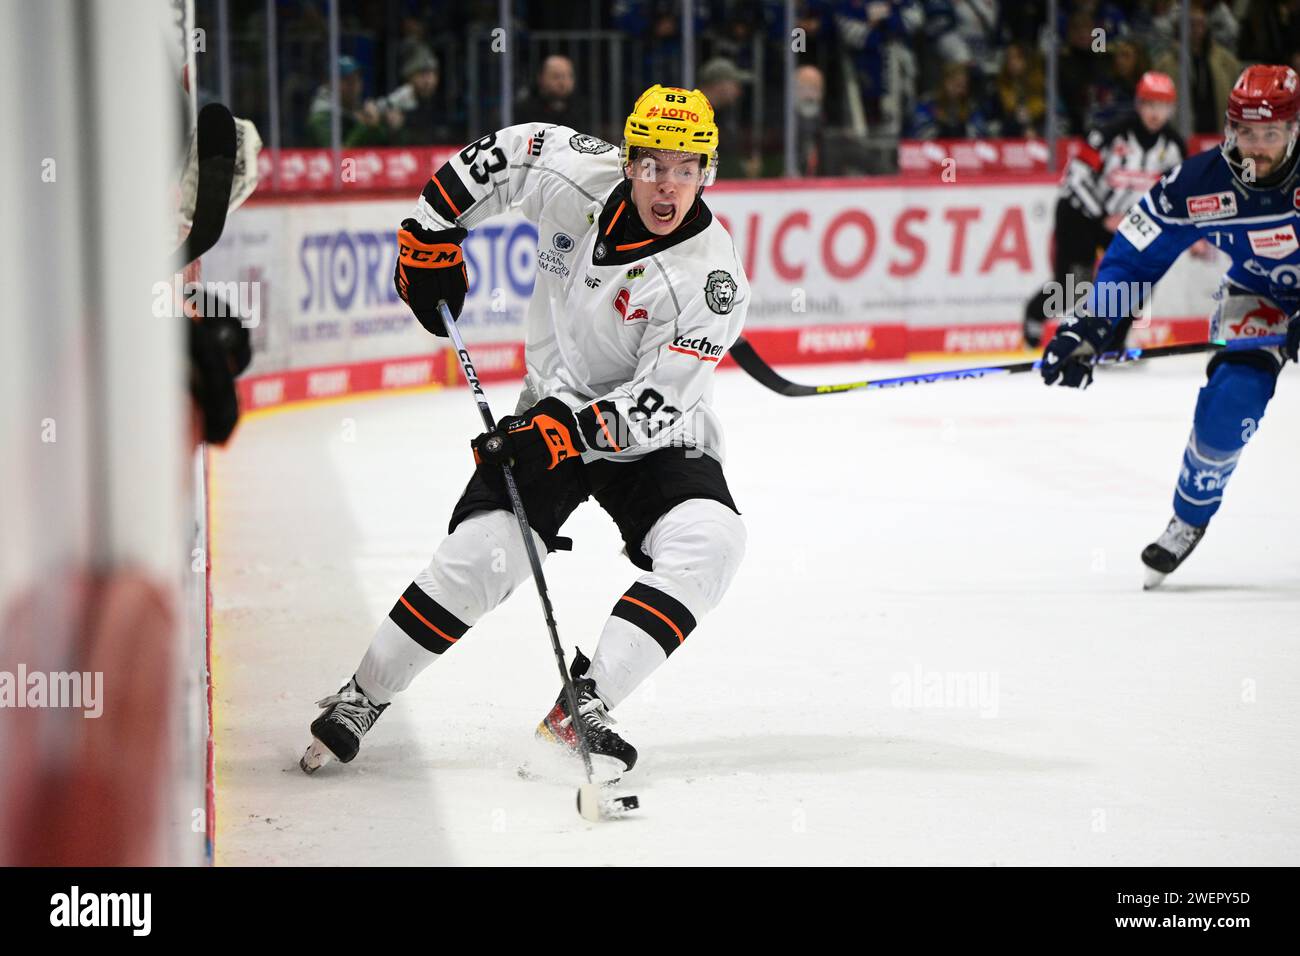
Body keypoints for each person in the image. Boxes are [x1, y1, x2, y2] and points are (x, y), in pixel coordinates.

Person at [301, 85, 750, 780]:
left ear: (707, 172)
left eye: (686, 167)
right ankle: (363, 695)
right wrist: (431, 233)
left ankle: (585, 704)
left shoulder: (711, 279)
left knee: (711, 542)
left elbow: (654, 405)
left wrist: (558, 435)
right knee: (484, 556)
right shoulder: (576, 170)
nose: (668, 185)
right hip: (552, 399)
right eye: (654, 165)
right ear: (627, 161)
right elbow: (503, 156)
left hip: (652, 440)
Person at [1039, 65, 1300, 588]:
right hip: (1260, 293)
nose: (1256, 148)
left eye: (1270, 135)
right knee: (1228, 404)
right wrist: (1090, 326)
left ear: (1293, 132)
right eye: (1246, 133)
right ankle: (1189, 518)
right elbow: (1134, 258)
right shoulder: (1198, 183)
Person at [1023, 71, 1187, 349]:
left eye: (1161, 106)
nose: (1155, 113)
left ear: (1171, 109)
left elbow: (1174, 194)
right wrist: (1102, 216)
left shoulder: (1174, 147)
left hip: (1126, 223)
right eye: (1149, 104)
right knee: (1074, 288)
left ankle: (1113, 343)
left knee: (1138, 280)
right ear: (1138, 104)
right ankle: (1035, 314)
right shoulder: (1110, 133)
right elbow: (1074, 178)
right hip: (1081, 215)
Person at [514, 54, 586, 131]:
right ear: (541, 78)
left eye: (569, 76)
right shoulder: (525, 110)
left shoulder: (583, 109)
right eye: (556, 76)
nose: (563, 83)